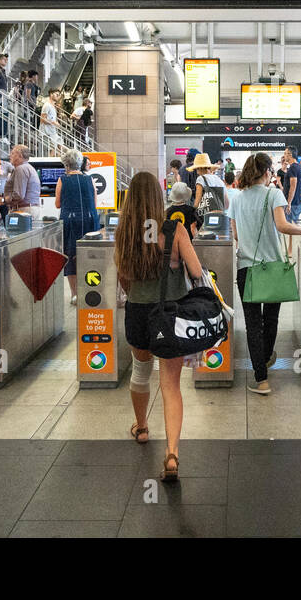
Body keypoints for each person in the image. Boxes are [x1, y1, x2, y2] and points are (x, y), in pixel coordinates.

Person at [115, 171, 205, 482]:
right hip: (172, 313)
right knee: (170, 383)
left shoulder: (125, 232)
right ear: (159, 196)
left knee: (140, 371)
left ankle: (141, 428)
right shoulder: (175, 229)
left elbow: (123, 277)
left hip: (139, 310)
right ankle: (171, 453)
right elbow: (196, 272)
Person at [229, 152, 301, 394]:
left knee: (253, 324)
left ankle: (261, 379)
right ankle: (264, 357)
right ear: (266, 172)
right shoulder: (273, 194)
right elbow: (282, 226)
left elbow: (236, 236)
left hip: (247, 269)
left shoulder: (237, 199)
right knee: (270, 319)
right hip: (272, 267)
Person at [56, 149, 99, 305]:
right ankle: (90, 289)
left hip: (70, 221)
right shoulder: (90, 180)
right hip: (90, 220)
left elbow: (57, 203)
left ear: (66, 164)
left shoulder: (62, 180)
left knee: (70, 255)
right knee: (90, 254)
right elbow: (94, 203)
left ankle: (75, 294)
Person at [4, 144, 41, 219]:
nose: (10, 155)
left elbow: (19, 195)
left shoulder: (20, 169)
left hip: (23, 210)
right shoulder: (29, 168)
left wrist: (3, 200)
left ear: (20, 155)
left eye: (12, 153)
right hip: (29, 209)